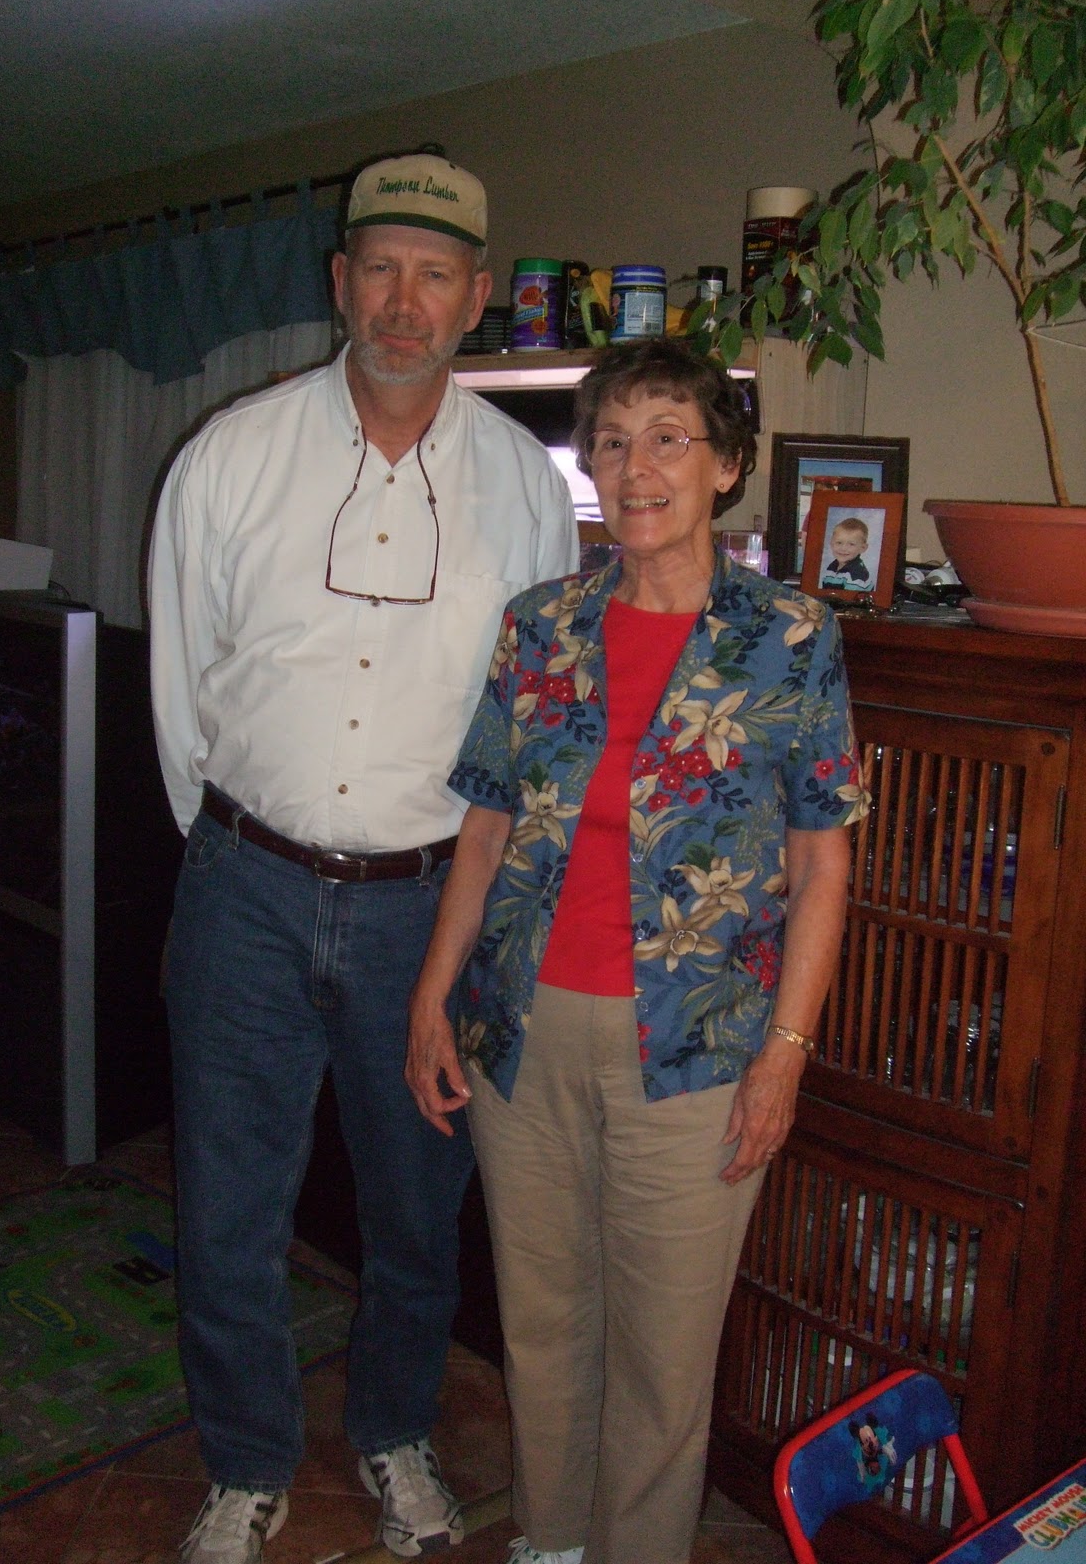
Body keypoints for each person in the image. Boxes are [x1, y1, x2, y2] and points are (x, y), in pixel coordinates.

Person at [148, 152, 577, 1564]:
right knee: (228, 1205)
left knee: (416, 1205)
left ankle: (394, 1432)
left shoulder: (525, 486)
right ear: (341, 283)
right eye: (380, 268)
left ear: (476, 297)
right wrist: (237, 850)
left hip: (429, 913)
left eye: (433, 275)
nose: (404, 301)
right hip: (247, 888)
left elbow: (526, 719)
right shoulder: (232, 455)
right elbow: (181, 688)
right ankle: (245, 1461)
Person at [406, 339, 869, 1564]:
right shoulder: (541, 625)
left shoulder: (791, 636)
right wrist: (434, 995)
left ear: (726, 466)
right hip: (524, 1030)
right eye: (610, 441)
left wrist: (786, 1053)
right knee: (543, 1322)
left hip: (701, 1048)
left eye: (669, 437)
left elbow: (823, 861)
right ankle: (552, 1540)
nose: (635, 466)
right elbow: (486, 825)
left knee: (664, 1357)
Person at [822, 514, 873, 590]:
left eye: (851, 544)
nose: (843, 548)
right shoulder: (832, 566)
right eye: (839, 543)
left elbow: (849, 598)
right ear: (832, 544)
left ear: (863, 548)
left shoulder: (857, 575)